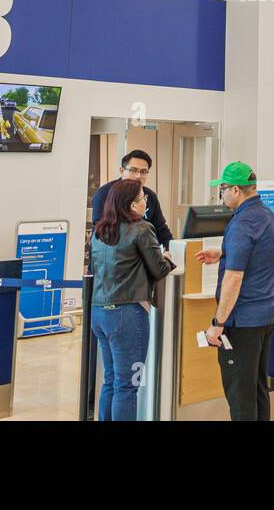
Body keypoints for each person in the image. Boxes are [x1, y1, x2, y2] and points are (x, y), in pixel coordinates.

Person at [196, 161, 274, 421]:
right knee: (256, 388)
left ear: (235, 190)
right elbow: (258, 256)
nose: (220, 195)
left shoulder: (242, 222)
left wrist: (218, 323)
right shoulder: (267, 216)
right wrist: (224, 253)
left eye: (221, 189)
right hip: (265, 316)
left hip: (242, 322)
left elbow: (234, 278)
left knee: (240, 396)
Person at [88, 178, 174, 420]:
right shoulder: (141, 229)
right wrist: (166, 257)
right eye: (142, 198)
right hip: (127, 315)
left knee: (112, 381)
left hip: (99, 312)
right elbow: (159, 270)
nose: (146, 202)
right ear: (132, 204)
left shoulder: (99, 231)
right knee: (128, 386)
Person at [91, 150, 172, 248]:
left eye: (143, 172)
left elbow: (162, 231)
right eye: (133, 170)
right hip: (112, 257)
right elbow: (100, 232)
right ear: (121, 171)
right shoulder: (105, 193)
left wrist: (172, 251)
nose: (138, 176)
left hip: (143, 255)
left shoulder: (150, 196)